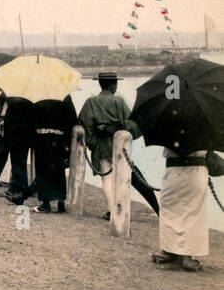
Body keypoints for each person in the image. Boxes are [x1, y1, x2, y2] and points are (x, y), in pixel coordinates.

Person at [78, 70, 159, 217]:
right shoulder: (119, 101)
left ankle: (112, 210)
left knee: (107, 178)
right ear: (113, 85)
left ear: (100, 84)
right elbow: (131, 125)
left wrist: (93, 142)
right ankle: (121, 208)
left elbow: (84, 125)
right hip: (119, 145)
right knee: (124, 176)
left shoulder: (90, 102)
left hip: (100, 147)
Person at [153, 147, 213, 272]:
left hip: (173, 170)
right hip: (194, 169)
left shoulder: (170, 128)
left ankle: (168, 250)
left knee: (170, 209)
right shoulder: (203, 130)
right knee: (191, 211)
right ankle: (186, 255)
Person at [27, 96, 78, 214]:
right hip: (59, 140)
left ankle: (46, 203)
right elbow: (72, 120)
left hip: (41, 139)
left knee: (42, 170)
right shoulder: (64, 96)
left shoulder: (38, 95)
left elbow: (31, 119)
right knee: (58, 171)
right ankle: (61, 203)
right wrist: (68, 143)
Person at [0, 98, 37, 205]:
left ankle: (17, 188)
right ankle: (17, 187)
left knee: (18, 162)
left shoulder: (18, 100)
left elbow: (15, 116)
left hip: (18, 134)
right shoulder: (26, 99)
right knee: (18, 162)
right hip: (20, 134)